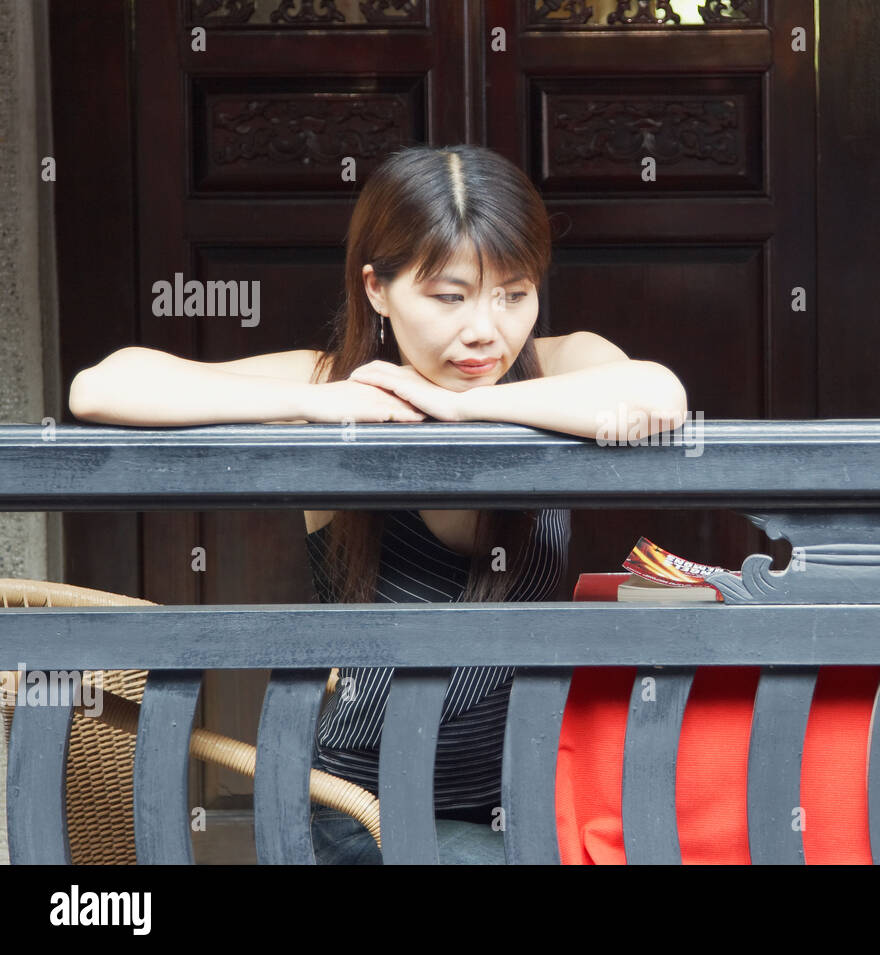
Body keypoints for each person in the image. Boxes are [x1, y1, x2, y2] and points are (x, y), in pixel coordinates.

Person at [68, 143, 690, 864]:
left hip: (529, 796)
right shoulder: (335, 384)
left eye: (513, 293)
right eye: (450, 296)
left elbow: (658, 396)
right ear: (377, 289)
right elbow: (102, 386)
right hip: (361, 811)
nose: (486, 328)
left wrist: (459, 409)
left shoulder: (558, 364)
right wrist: (305, 403)